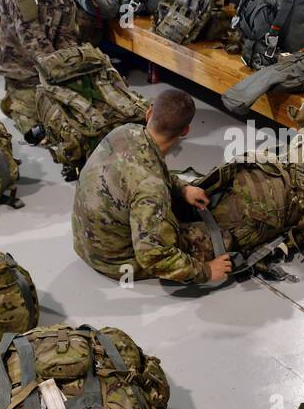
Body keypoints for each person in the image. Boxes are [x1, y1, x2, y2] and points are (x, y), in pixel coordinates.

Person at [72, 88, 233, 285]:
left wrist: (182, 189)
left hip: (85, 243)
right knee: (224, 238)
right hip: (117, 263)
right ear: (185, 131)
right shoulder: (152, 186)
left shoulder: (124, 131)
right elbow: (152, 256)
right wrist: (206, 271)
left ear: (149, 113)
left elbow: (145, 168)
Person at [0, 0, 89, 134]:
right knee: (45, 123)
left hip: (50, 70)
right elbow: (34, 42)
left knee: (82, 109)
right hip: (23, 73)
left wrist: (73, 67)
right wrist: (59, 76)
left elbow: (67, 37)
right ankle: (15, 101)